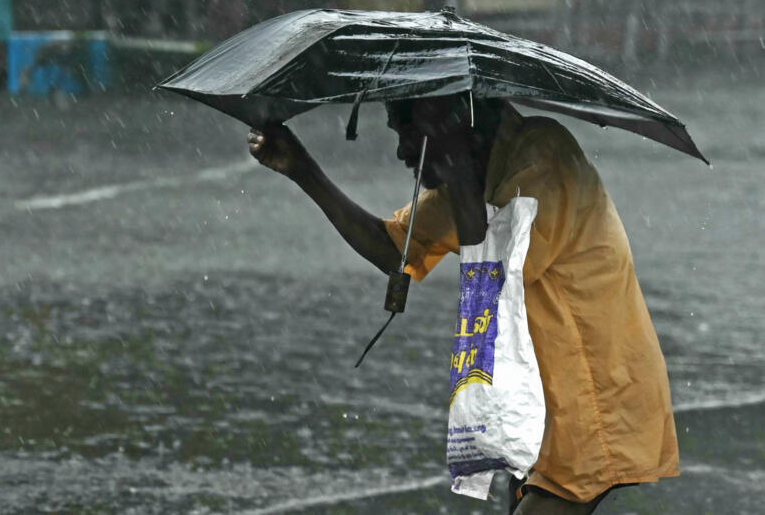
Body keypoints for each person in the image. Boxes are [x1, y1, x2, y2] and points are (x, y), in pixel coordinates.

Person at [246, 95, 679, 514]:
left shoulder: (543, 158)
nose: (402, 151)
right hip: (540, 409)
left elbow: (496, 277)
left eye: (410, 135)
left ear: (453, 122)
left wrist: (454, 169)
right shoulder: (478, 170)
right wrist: (303, 170)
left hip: (598, 404)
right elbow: (392, 249)